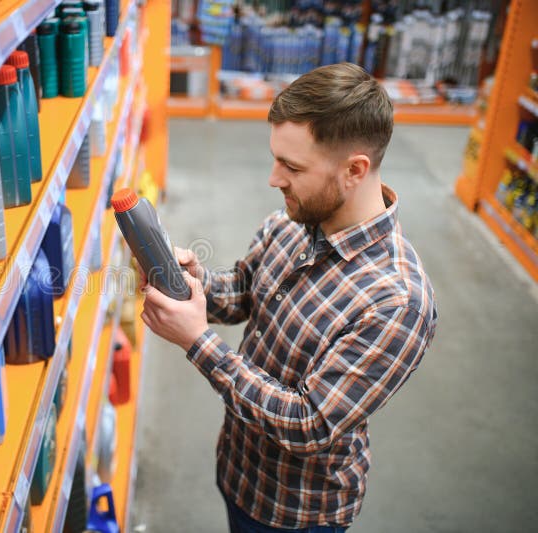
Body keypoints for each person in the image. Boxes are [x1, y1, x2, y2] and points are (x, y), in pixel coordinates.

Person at [140, 62, 438, 532]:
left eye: (292, 166)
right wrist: (194, 283)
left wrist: (197, 342)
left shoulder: (395, 302)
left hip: (297, 513)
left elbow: (309, 423)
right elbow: (243, 293)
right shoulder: (293, 219)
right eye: (276, 159)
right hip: (240, 470)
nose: (274, 179)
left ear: (354, 170)